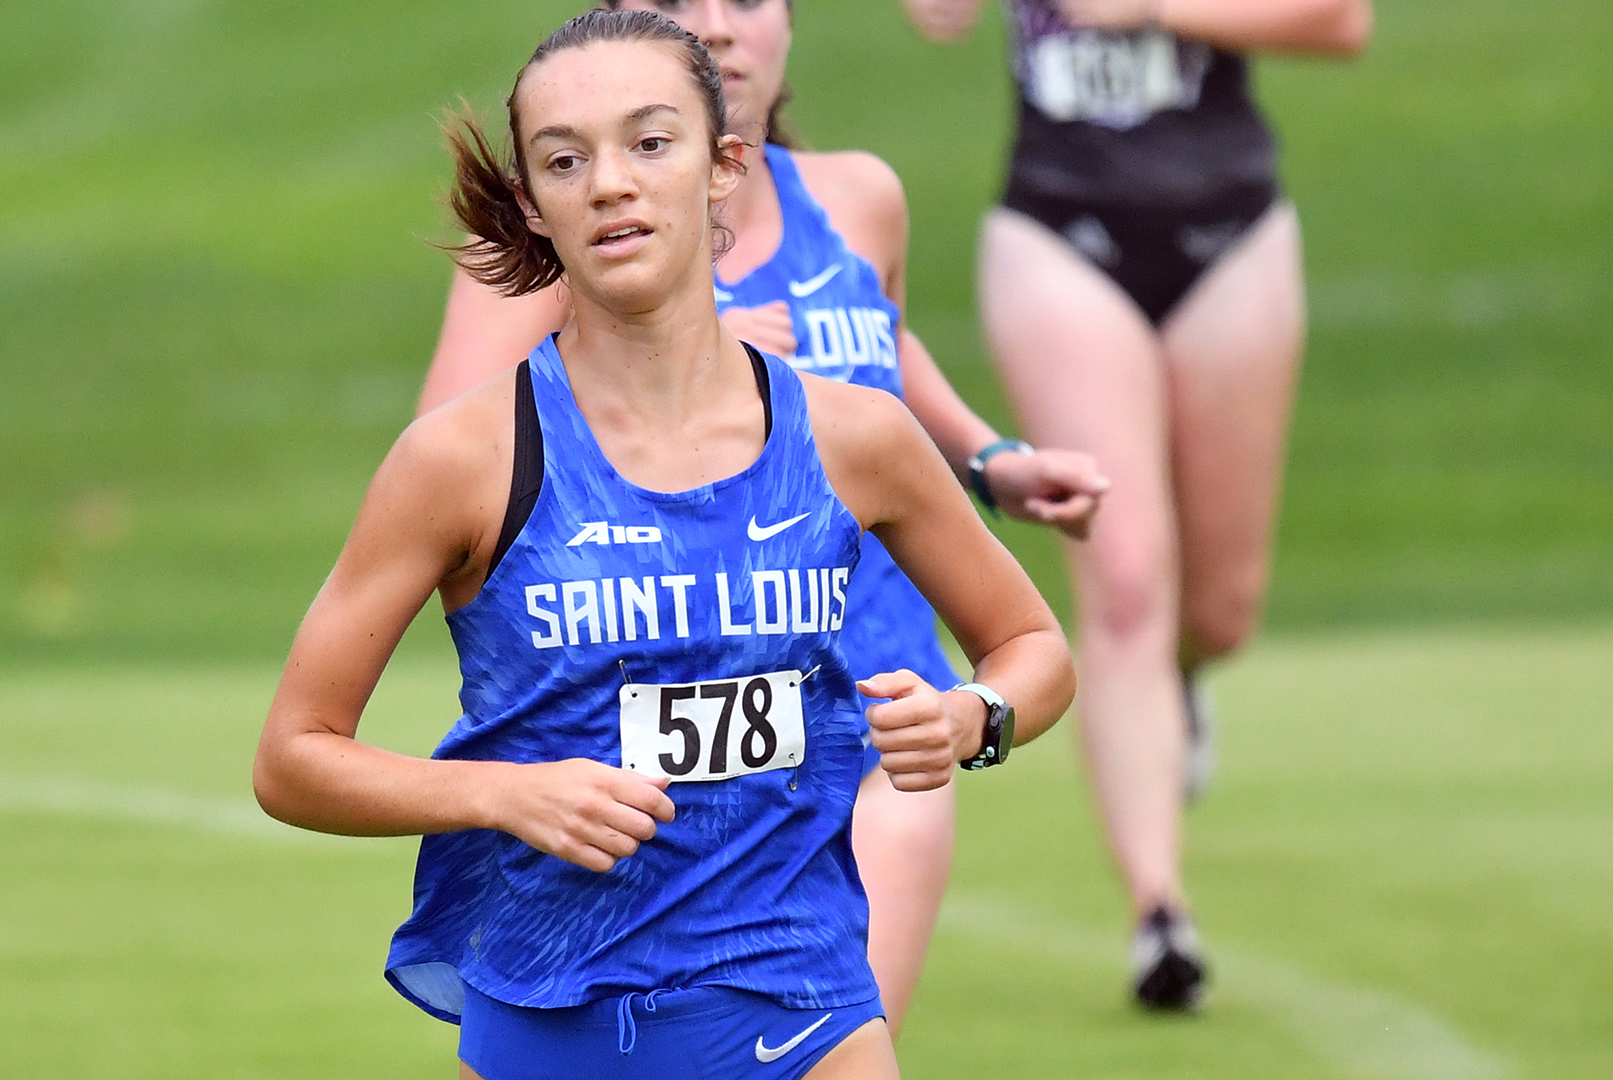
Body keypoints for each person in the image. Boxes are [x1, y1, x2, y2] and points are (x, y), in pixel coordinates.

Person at [253, 10, 1074, 1078]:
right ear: (533, 208)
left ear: (723, 165)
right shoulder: (461, 460)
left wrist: (975, 715)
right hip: (551, 1018)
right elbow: (294, 757)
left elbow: (1033, 647)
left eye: (651, 142)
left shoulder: (854, 436)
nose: (610, 183)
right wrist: (505, 793)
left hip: (801, 1004)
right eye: (564, 160)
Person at [900, 0, 1372, 1010]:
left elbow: (1342, 21)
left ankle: (1183, 679)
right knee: (1122, 580)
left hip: (1230, 228)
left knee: (1218, 611)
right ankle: (1160, 914)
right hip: (1059, 228)